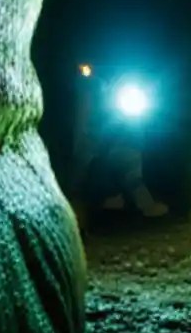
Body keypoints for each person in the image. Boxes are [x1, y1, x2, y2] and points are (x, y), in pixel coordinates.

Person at [69, 64, 168, 219]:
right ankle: (82, 207)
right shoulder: (93, 88)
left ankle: (140, 203)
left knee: (129, 166)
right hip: (96, 136)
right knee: (84, 170)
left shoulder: (115, 92)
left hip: (118, 134)